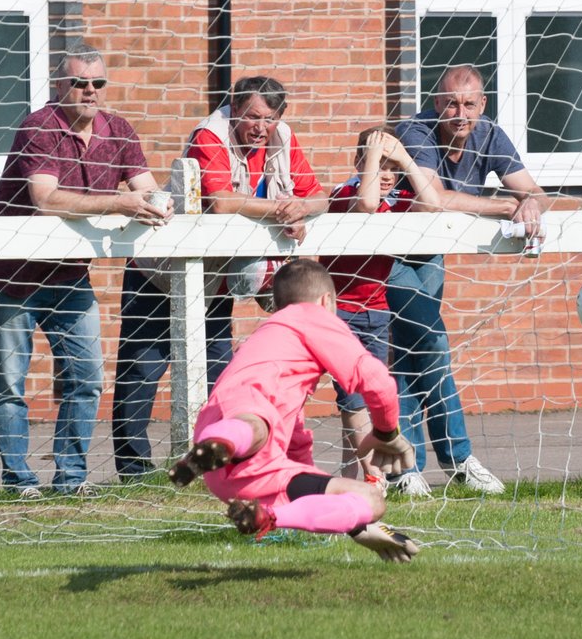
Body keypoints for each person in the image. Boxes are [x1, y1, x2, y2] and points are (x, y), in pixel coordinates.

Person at [0, 45, 172, 498]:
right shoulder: (39, 126)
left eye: (97, 83)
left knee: (87, 377)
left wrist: (161, 204)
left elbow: (146, 188)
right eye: (79, 83)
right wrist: (120, 203)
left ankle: (70, 477)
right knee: (11, 383)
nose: (89, 91)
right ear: (59, 86)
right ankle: (19, 481)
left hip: (69, 275)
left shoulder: (118, 129)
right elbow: (46, 199)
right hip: (12, 274)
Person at [111, 75, 326, 480]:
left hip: (213, 280)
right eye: (253, 117)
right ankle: (133, 472)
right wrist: (282, 211)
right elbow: (223, 201)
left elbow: (319, 196)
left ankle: (210, 465)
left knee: (218, 373)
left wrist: (301, 209)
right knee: (142, 369)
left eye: (270, 118)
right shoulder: (209, 135)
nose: (261, 127)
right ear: (235, 109)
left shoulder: (283, 138)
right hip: (160, 273)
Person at [167, 258, 420, 562]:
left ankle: (251, 492)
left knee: (258, 424)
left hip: (223, 462)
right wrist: (386, 432)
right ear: (326, 301)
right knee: (258, 421)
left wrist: (357, 525)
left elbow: (295, 442)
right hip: (247, 447)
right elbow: (379, 382)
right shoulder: (314, 317)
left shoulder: (267, 346)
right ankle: (262, 498)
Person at [389, 65, 548, 497]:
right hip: (387, 255)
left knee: (410, 354)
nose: (460, 113)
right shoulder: (416, 130)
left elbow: (534, 192)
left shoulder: (490, 133)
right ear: (436, 103)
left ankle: (405, 468)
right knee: (432, 342)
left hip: (430, 254)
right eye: (451, 104)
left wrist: (530, 205)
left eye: (469, 104)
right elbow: (434, 200)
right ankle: (457, 458)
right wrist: (505, 206)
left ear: (483, 104)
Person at [321, 127, 443, 475]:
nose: (387, 174)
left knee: (370, 396)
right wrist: (371, 158)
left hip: (377, 312)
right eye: (380, 165)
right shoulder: (345, 192)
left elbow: (433, 205)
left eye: (393, 168)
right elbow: (367, 204)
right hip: (339, 312)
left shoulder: (397, 199)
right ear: (358, 162)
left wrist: (405, 159)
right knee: (352, 397)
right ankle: (373, 477)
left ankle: (348, 472)